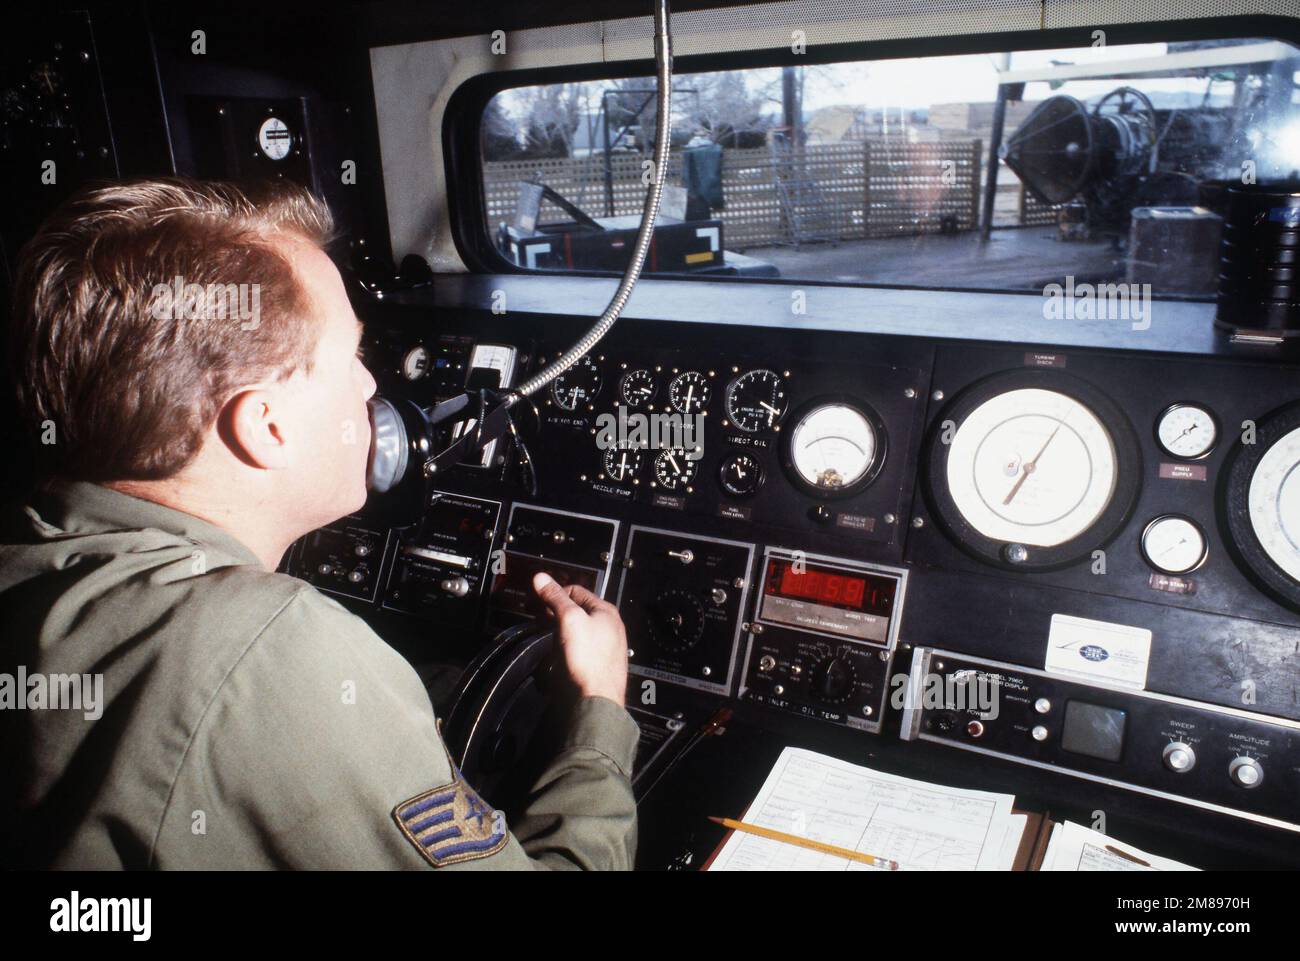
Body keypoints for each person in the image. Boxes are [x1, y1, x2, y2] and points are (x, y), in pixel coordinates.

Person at [0, 178, 638, 869]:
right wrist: (600, 706)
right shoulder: (271, 652)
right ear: (266, 427)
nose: (372, 386)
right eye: (352, 357)